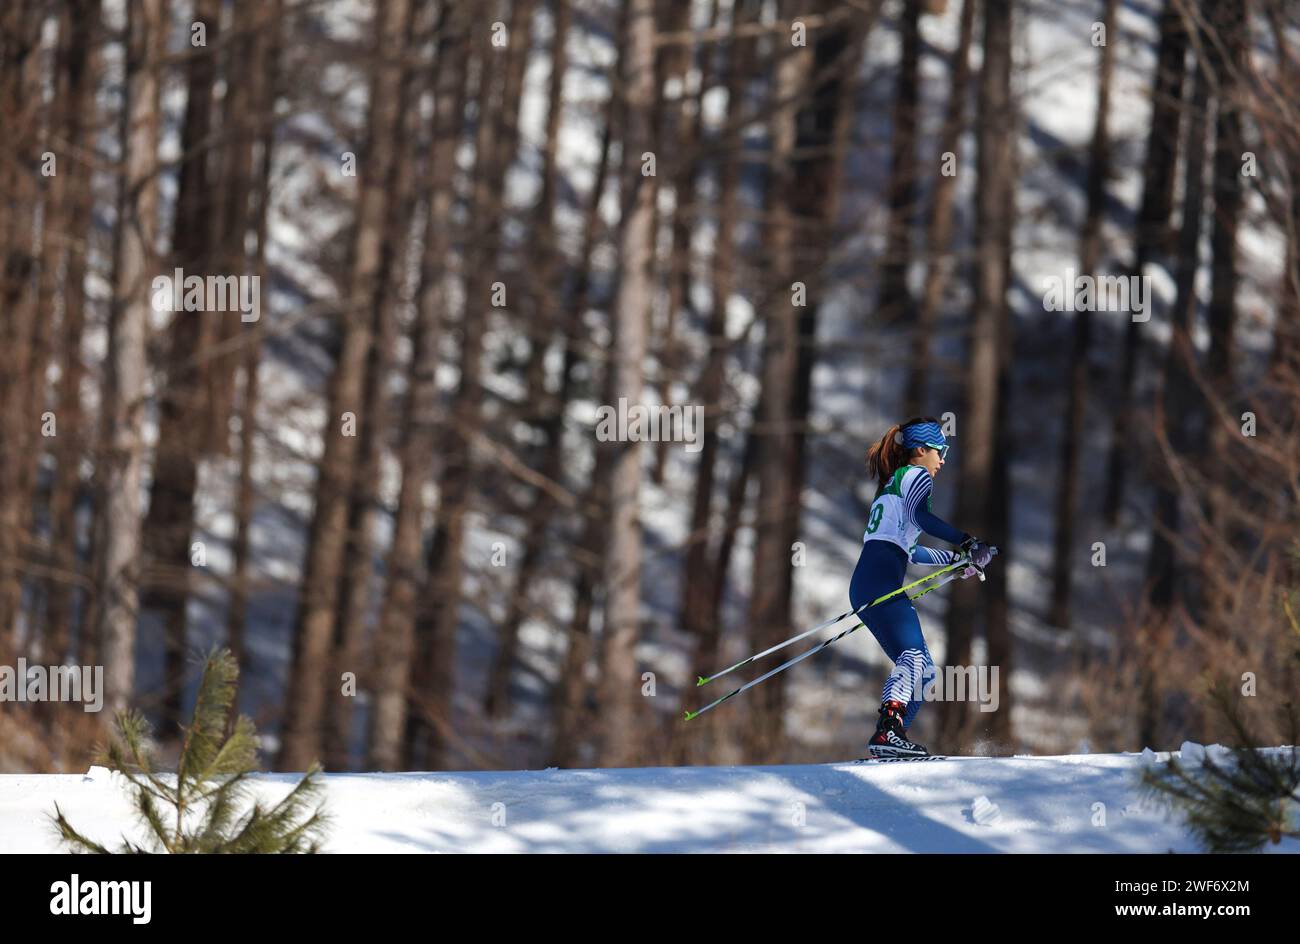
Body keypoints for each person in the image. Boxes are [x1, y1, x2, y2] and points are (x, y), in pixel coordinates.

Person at [850, 417, 995, 757]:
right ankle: (887, 732)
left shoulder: (892, 484)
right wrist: (967, 541)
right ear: (921, 450)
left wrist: (957, 560)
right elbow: (921, 518)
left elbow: (910, 549)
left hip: (870, 580)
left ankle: (892, 739)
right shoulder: (915, 476)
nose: (943, 459)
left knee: (925, 671)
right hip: (879, 581)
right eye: (940, 451)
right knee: (913, 658)